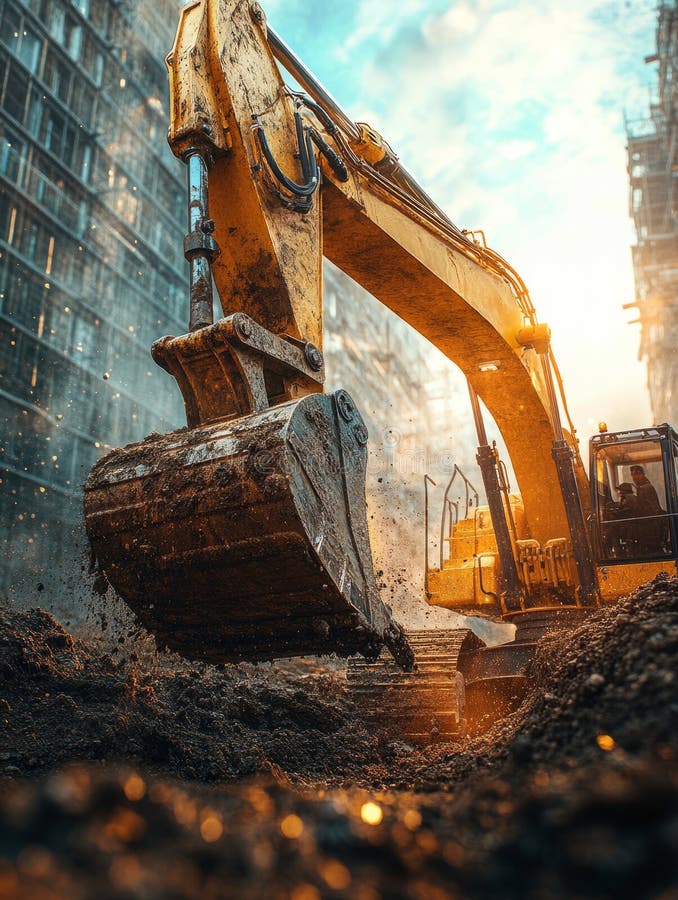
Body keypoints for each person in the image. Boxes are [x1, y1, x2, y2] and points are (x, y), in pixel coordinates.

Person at [629, 465, 665, 553]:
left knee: (651, 549)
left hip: (649, 526)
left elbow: (645, 508)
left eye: (636, 475)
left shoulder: (645, 488)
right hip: (651, 525)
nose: (634, 478)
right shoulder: (645, 486)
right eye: (632, 475)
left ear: (642, 474)